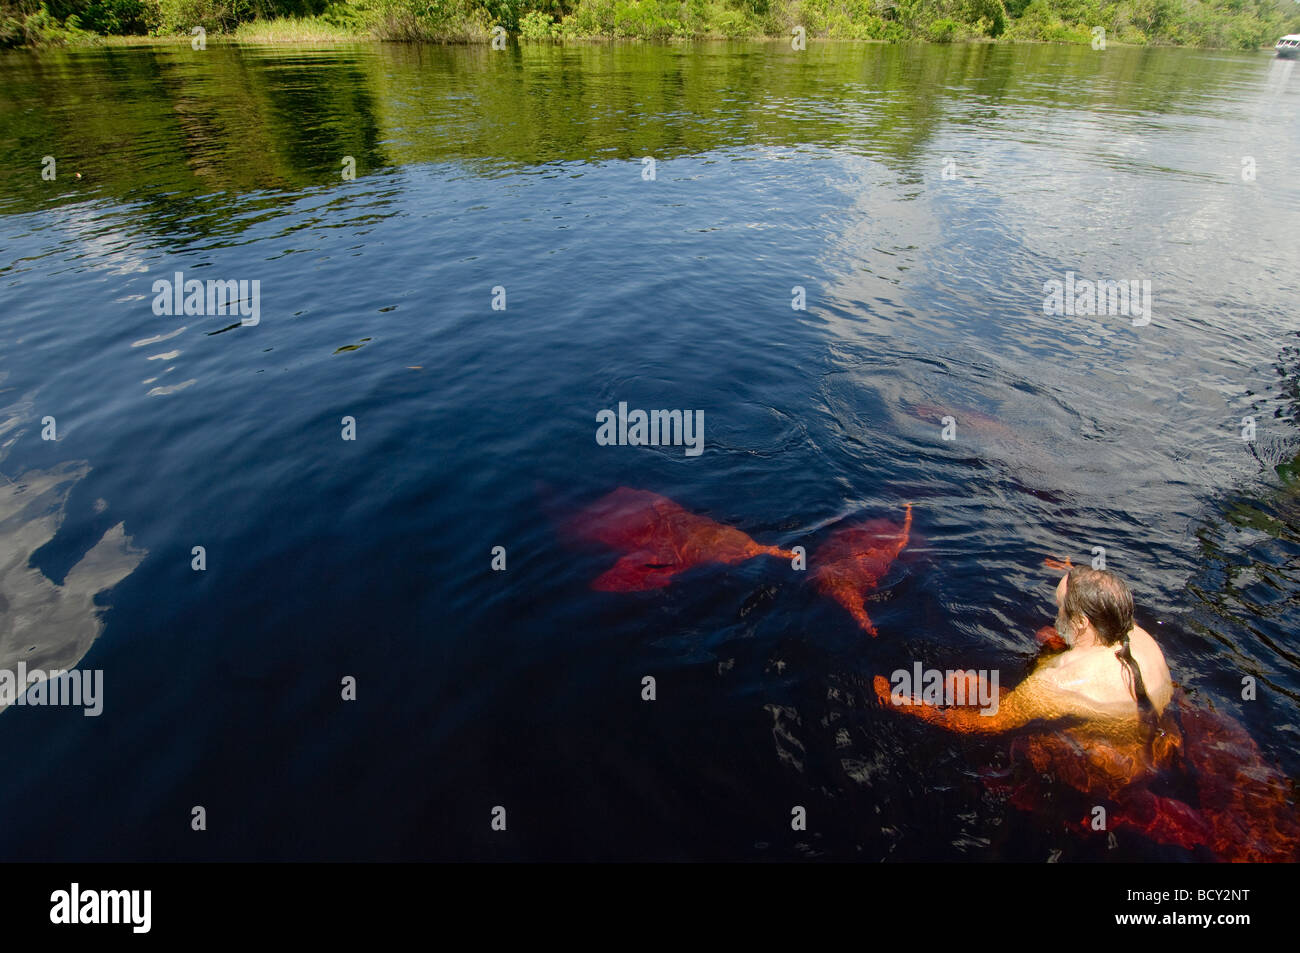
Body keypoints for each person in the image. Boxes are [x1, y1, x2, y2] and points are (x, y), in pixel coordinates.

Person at [874, 566, 1173, 737]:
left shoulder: (1060, 683)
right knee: (1048, 637)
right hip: (1151, 729)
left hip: (1108, 756)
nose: (1057, 617)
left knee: (960, 687)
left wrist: (907, 705)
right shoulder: (1138, 634)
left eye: (1060, 609)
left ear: (1082, 622)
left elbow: (989, 725)